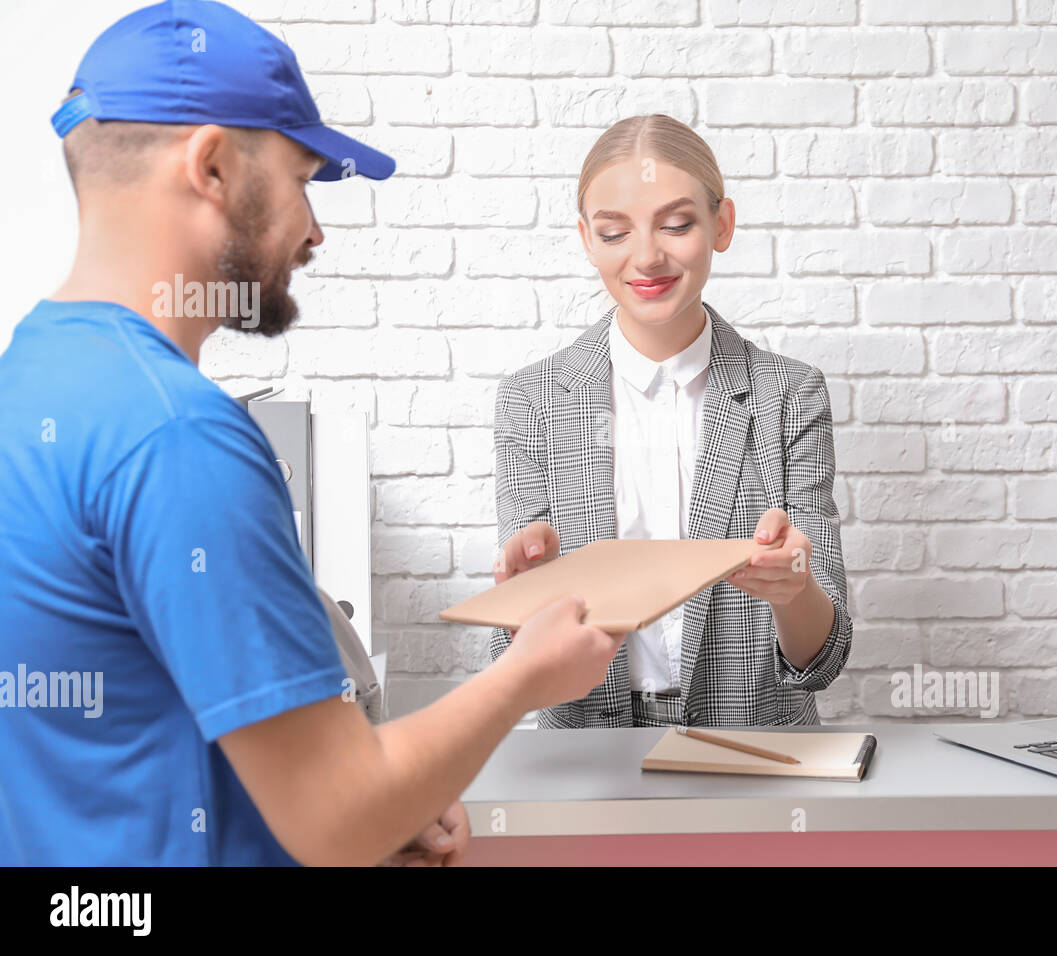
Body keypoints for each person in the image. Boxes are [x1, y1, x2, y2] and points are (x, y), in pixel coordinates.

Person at [0, 0, 622, 867]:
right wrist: (526, 676)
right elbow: (336, 818)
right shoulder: (178, 436)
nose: (314, 230)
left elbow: (122, 747)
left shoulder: (26, 382)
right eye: (301, 177)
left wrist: (380, 798)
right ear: (212, 165)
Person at [491, 114, 852, 729]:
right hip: (585, 764)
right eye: (613, 232)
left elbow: (821, 661)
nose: (646, 257)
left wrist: (793, 591)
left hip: (754, 760)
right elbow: (516, 671)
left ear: (723, 224)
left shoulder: (789, 394)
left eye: (677, 224)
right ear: (585, 238)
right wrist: (524, 604)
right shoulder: (534, 399)